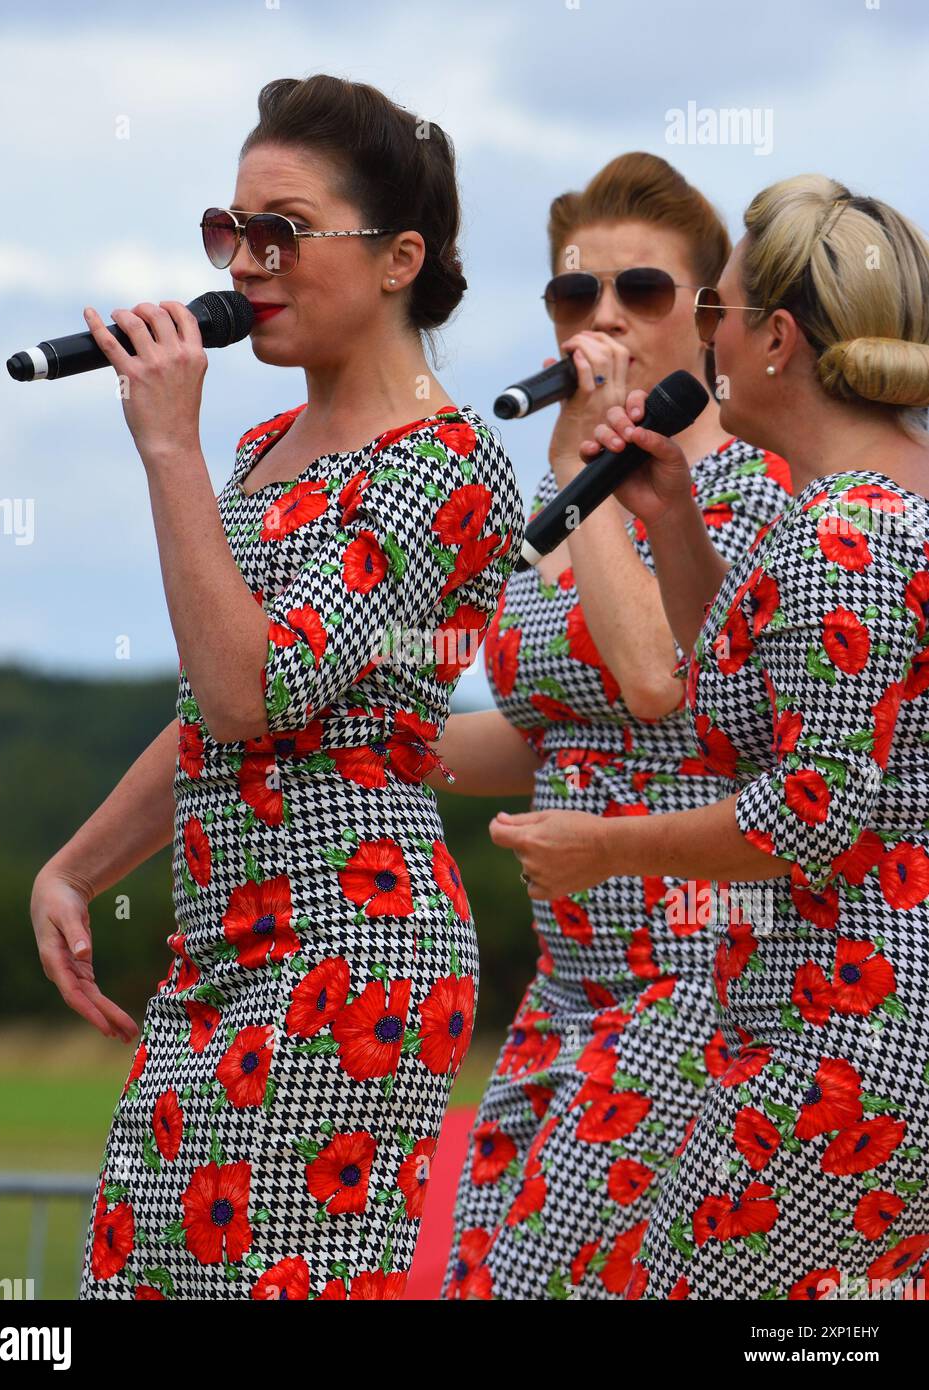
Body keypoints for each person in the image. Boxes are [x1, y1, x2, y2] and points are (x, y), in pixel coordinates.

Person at [29, 73, 526, 1302]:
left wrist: (166, 451)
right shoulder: (258, 454)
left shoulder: (445, 465)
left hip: (353, 950)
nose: (247, 263)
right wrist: (78, 866)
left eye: (284, 232)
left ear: (401, 257)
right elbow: (209, 719)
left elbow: (259, 693)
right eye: (230, 232)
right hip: (221, 943)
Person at [492, 173, 929, 1300]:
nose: (703, 338)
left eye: (714, 312)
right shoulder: (845, 512)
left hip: (851, 1027)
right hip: (827, 1019)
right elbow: (721, 707)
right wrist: (673, 516)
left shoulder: (850, 531)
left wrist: (603, 848)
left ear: (774, 339)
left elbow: (808, 817)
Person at [435, 153, 791, 1300]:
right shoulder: (558, 496)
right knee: (472, 1275)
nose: (600, 318)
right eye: (571, 294)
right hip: (567, 978)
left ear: (705, 313)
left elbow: (656, 682)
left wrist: (587, 469)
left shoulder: (759, 488)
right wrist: (361, 749)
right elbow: (547, 727)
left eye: (639, 292)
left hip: (700, 971)